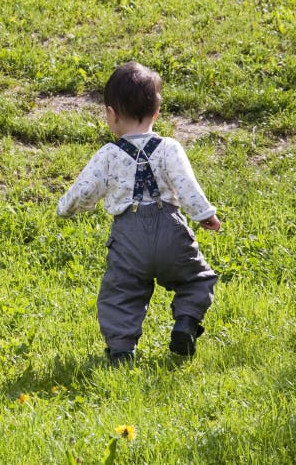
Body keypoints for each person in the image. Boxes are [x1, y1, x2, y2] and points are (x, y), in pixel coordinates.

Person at [57, 61, 220, 366]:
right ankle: (185, 322)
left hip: (129, 236)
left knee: (120, 293)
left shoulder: (108, 154)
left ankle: (121, 351)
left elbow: (85, 189)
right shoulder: (170, 147)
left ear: (111, 114)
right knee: (197, 279)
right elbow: (187, 185)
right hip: (170, 229)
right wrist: (203, 215)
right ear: (157, 112)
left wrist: (65, 208)